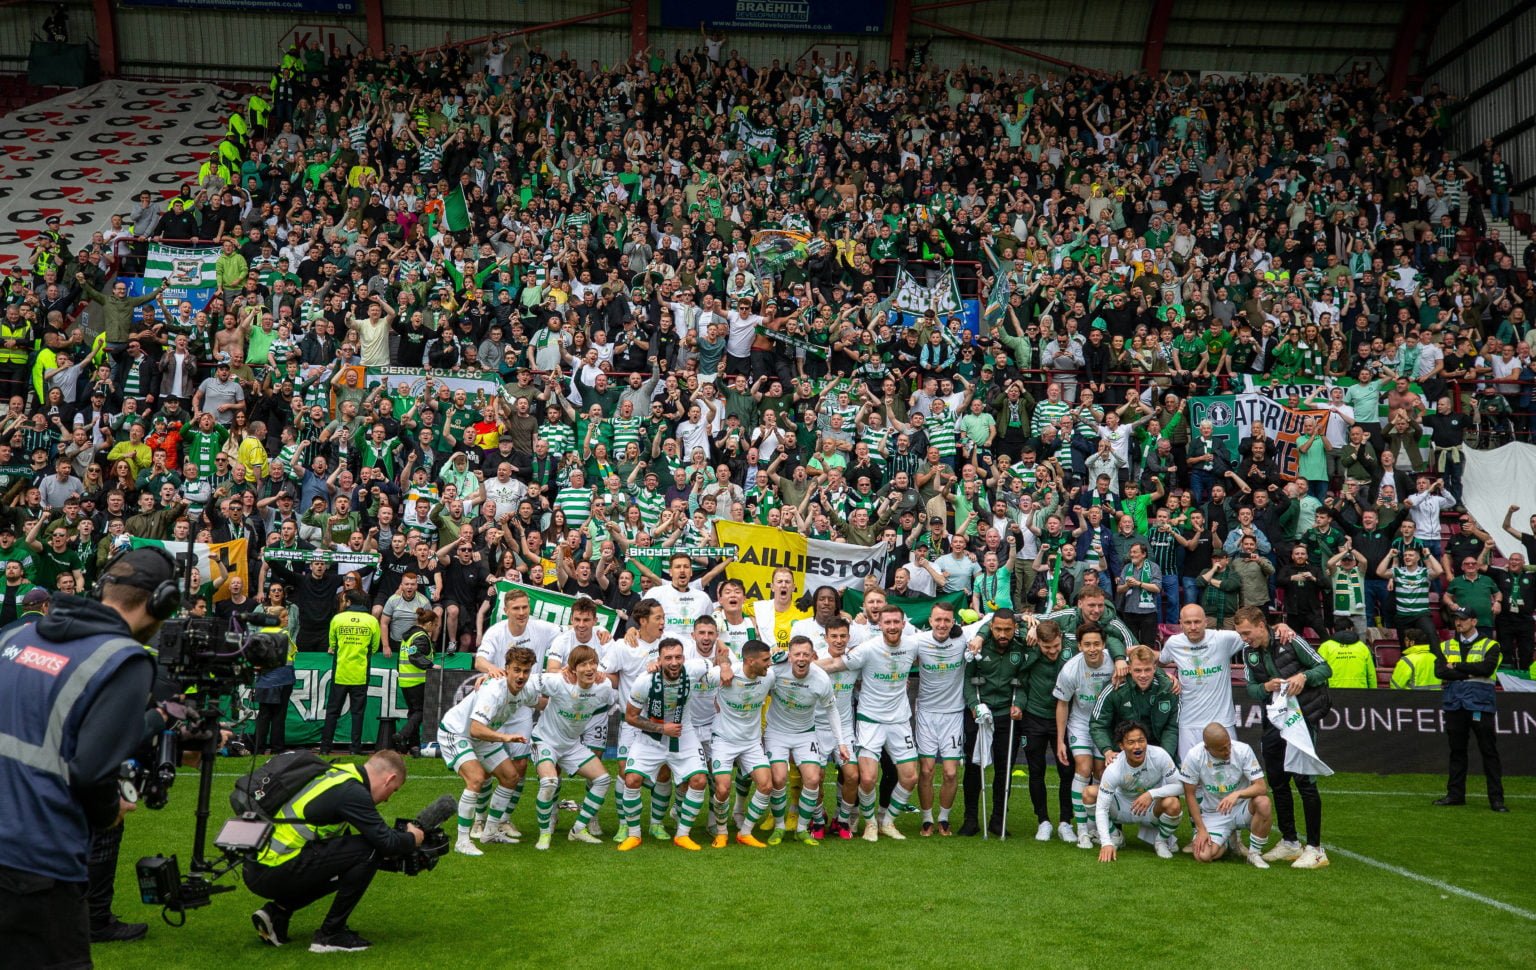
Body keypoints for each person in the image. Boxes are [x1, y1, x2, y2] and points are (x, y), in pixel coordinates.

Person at [0, 547, 169, 966]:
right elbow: (91, 772)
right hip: (38, 865)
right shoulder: (123, 660)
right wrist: (111, 809)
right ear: (161, 601)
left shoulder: (14, 637)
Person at [244, 750, 423, 953]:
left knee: (351, 859)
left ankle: (277, 913)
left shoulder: (340, 772)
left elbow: (344, 847)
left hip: (260, 865)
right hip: (273, 869)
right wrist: (412, 838)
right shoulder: (351, 792)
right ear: (389, 779)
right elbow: (385, 843)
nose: (388, 799)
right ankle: (331, 934)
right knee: (369, 850)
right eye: (394, 790)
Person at [1235, 605, 1332, 869]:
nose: (1244, 639)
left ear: (1260, 624)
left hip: (1301, 719)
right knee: (1278, 781)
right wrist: (1264, 687)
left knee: (1304, 781)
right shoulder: (1248, 653)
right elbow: (1251, 689)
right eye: (1241, 634)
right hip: (1273, 722)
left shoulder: (1291, 639)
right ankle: (1290, 841)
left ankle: (1315, 849)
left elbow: (1325, 668)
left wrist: (1304, 676)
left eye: (1247, 633)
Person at [818, 605, 921, 841]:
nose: (892, 626)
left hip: (899, 721)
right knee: (867, 778)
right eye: (888, 623)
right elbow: (834, 665)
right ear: (880, 625)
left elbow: (950, 632)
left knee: (910, 777)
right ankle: (870, 824)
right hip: (870, 721)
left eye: (896, 622)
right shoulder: (868, 649)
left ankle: (888, 822)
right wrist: (796, 666)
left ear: (903, 624)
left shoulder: (914, 643)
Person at [436, 647, 538, 856]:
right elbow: (475, 728)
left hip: (483, 736)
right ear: (506, 669)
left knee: (511, 777)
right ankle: (462, 840)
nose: (521, 676)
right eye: (516, 670)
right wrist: (504, 737)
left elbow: (546, 697)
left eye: (526, 671)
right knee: (476, 778)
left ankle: (490, 833)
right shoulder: (494, 690)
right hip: (456, 733)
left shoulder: (526, 689)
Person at [618, 637, 711, 851]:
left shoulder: (695, 668)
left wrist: (723, 665)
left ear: (684, 658)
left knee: (699, 780)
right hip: (651, 736)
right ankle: (633, 835)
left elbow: (713, 662)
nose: (674, 662)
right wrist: (662, 728)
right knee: (631, 779)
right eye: (668, 658)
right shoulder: (645, 680)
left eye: (678, 657)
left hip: (684, 734)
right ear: (659, 660)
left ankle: (682, 835)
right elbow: (631, 717)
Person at [528, 645, 615, 849]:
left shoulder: (603, 687)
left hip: (571, 745)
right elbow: (524, 682)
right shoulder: (558, 681)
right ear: (573, 669)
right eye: (583, 664)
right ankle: (544, 834)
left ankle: (578, 830)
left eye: (592, 663)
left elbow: (611, 700)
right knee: (549, 781)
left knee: (602, 780)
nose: (589, 668)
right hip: (545, 741)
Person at [762, 636, 846, 845]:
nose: (801, 659)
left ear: (813, 656)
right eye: (797, 654)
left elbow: (831, 710)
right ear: (789, 656)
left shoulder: (821, 679)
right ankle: (780, 827)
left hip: (805, 733)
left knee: (813, 778)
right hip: (776, 733)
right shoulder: (775, 672)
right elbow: (755, 687)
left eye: (806, 655)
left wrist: (841, 742)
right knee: (779, 778)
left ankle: (801, 828)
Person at [1431, 606, 1507, 812]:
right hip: (1455, 704)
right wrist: (1468, 673)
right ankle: (1455, 795)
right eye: (1456, 619)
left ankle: (1496, 799)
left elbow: (1487, 669)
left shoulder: (1491, 645)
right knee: (1457, 751)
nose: (1458, 622)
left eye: (1463, 619)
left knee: (1488, 752)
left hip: (1480, 704)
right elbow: (1440, 672)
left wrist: (1456, 667)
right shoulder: (1446, 645)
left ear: (1474, 621)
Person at [961, 609, 1029, 836]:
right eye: (998, 629)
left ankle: (999, 819)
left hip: (1007, 714)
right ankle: (970, 818)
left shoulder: (1021, 647)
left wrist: (1019, 703)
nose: (1002, 634)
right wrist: (973, 705)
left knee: (1004, 768)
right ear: (990, 627)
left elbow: (1025, 682)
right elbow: (968, 680)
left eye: (1007, 629)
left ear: (1014, 629)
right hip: (980, 711)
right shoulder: (978, 646)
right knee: (973, 766)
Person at [704, 639, 776, 848]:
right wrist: (723, 665)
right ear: (750, 661)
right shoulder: (724, 674)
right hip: (723, 741)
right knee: (723, 788)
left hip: (751, 742)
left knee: (766, 784)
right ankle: (722, 832)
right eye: (765, 660)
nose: (769, 664)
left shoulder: (769, 676)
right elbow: (695, 683)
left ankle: (745, 832)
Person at [1053, 622, 1116, 848]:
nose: (1092, 649)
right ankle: (1081, 829)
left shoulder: (1114, 663)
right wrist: (1060, 740)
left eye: (1096, 644)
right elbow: (1062, 704)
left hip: (1105, 725)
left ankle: (1096, 826)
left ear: (1103, 645)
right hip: (1080, 724)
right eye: (1087, 644)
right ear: (1079, 646)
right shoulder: (1070, 669)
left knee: (1101, 771)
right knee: (1083, 768)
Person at [1085, 720, 1184, 860]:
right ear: (1122, 745)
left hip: (1150, 808)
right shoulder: (1114, 768)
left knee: (1173, 803)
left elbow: (1180, 786)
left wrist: (1151, 794)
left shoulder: (1159, 755)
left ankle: (1160, 841)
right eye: (1131, 742)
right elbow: (1101, 808)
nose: (1137, 746)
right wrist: (1106, 843)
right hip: (1121, 809)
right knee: (1089, 793)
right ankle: (1115, 836)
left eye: (1141, 740)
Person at [1180, 722, 1274, 868]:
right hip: (1214, 813)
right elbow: (1190, 794)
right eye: (1222, 749)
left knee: (1263, 802)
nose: (1227, 751)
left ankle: (1254, 854)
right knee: (1203, 856)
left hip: (1241, 808)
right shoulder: (1194, 756)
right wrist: (1201, 830)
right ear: (1207, 748)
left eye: (1229, 745)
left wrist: (1237, 794)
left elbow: (1261, 787)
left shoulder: (1243, 750)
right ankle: (1228, 841)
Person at [1089, 644, 1179, 759]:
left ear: (1155, 668)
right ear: (1129, 668)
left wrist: (1165, 755)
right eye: (1137, 670)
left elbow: (1172, 727)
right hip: (1123, 750)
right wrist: (1107, 751)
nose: (1143, 675)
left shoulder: (1167, 689)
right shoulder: (1115, 688)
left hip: (1158, 749)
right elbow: (1098, 724)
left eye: (1147, 670)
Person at [320, 589, 382, 755]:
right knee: (358, 713)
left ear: (348, 601)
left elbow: (332, 644)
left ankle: (325, 748)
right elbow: (375, 647)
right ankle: (355, 748)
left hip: (340, 672)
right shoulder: (371, 620)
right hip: (360, 674)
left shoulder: (338, 619)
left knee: (332, 712)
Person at [393, 607, 439, 754]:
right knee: (421, 711)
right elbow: (415, 656)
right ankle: (402, 735)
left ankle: (414, 746)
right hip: (417, 680)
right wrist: (431, 665)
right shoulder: (421, 636)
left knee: (413, 713)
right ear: (429, 623)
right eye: (435, 624)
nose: (436, 627)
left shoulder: (408, 636)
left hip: (405, 680)